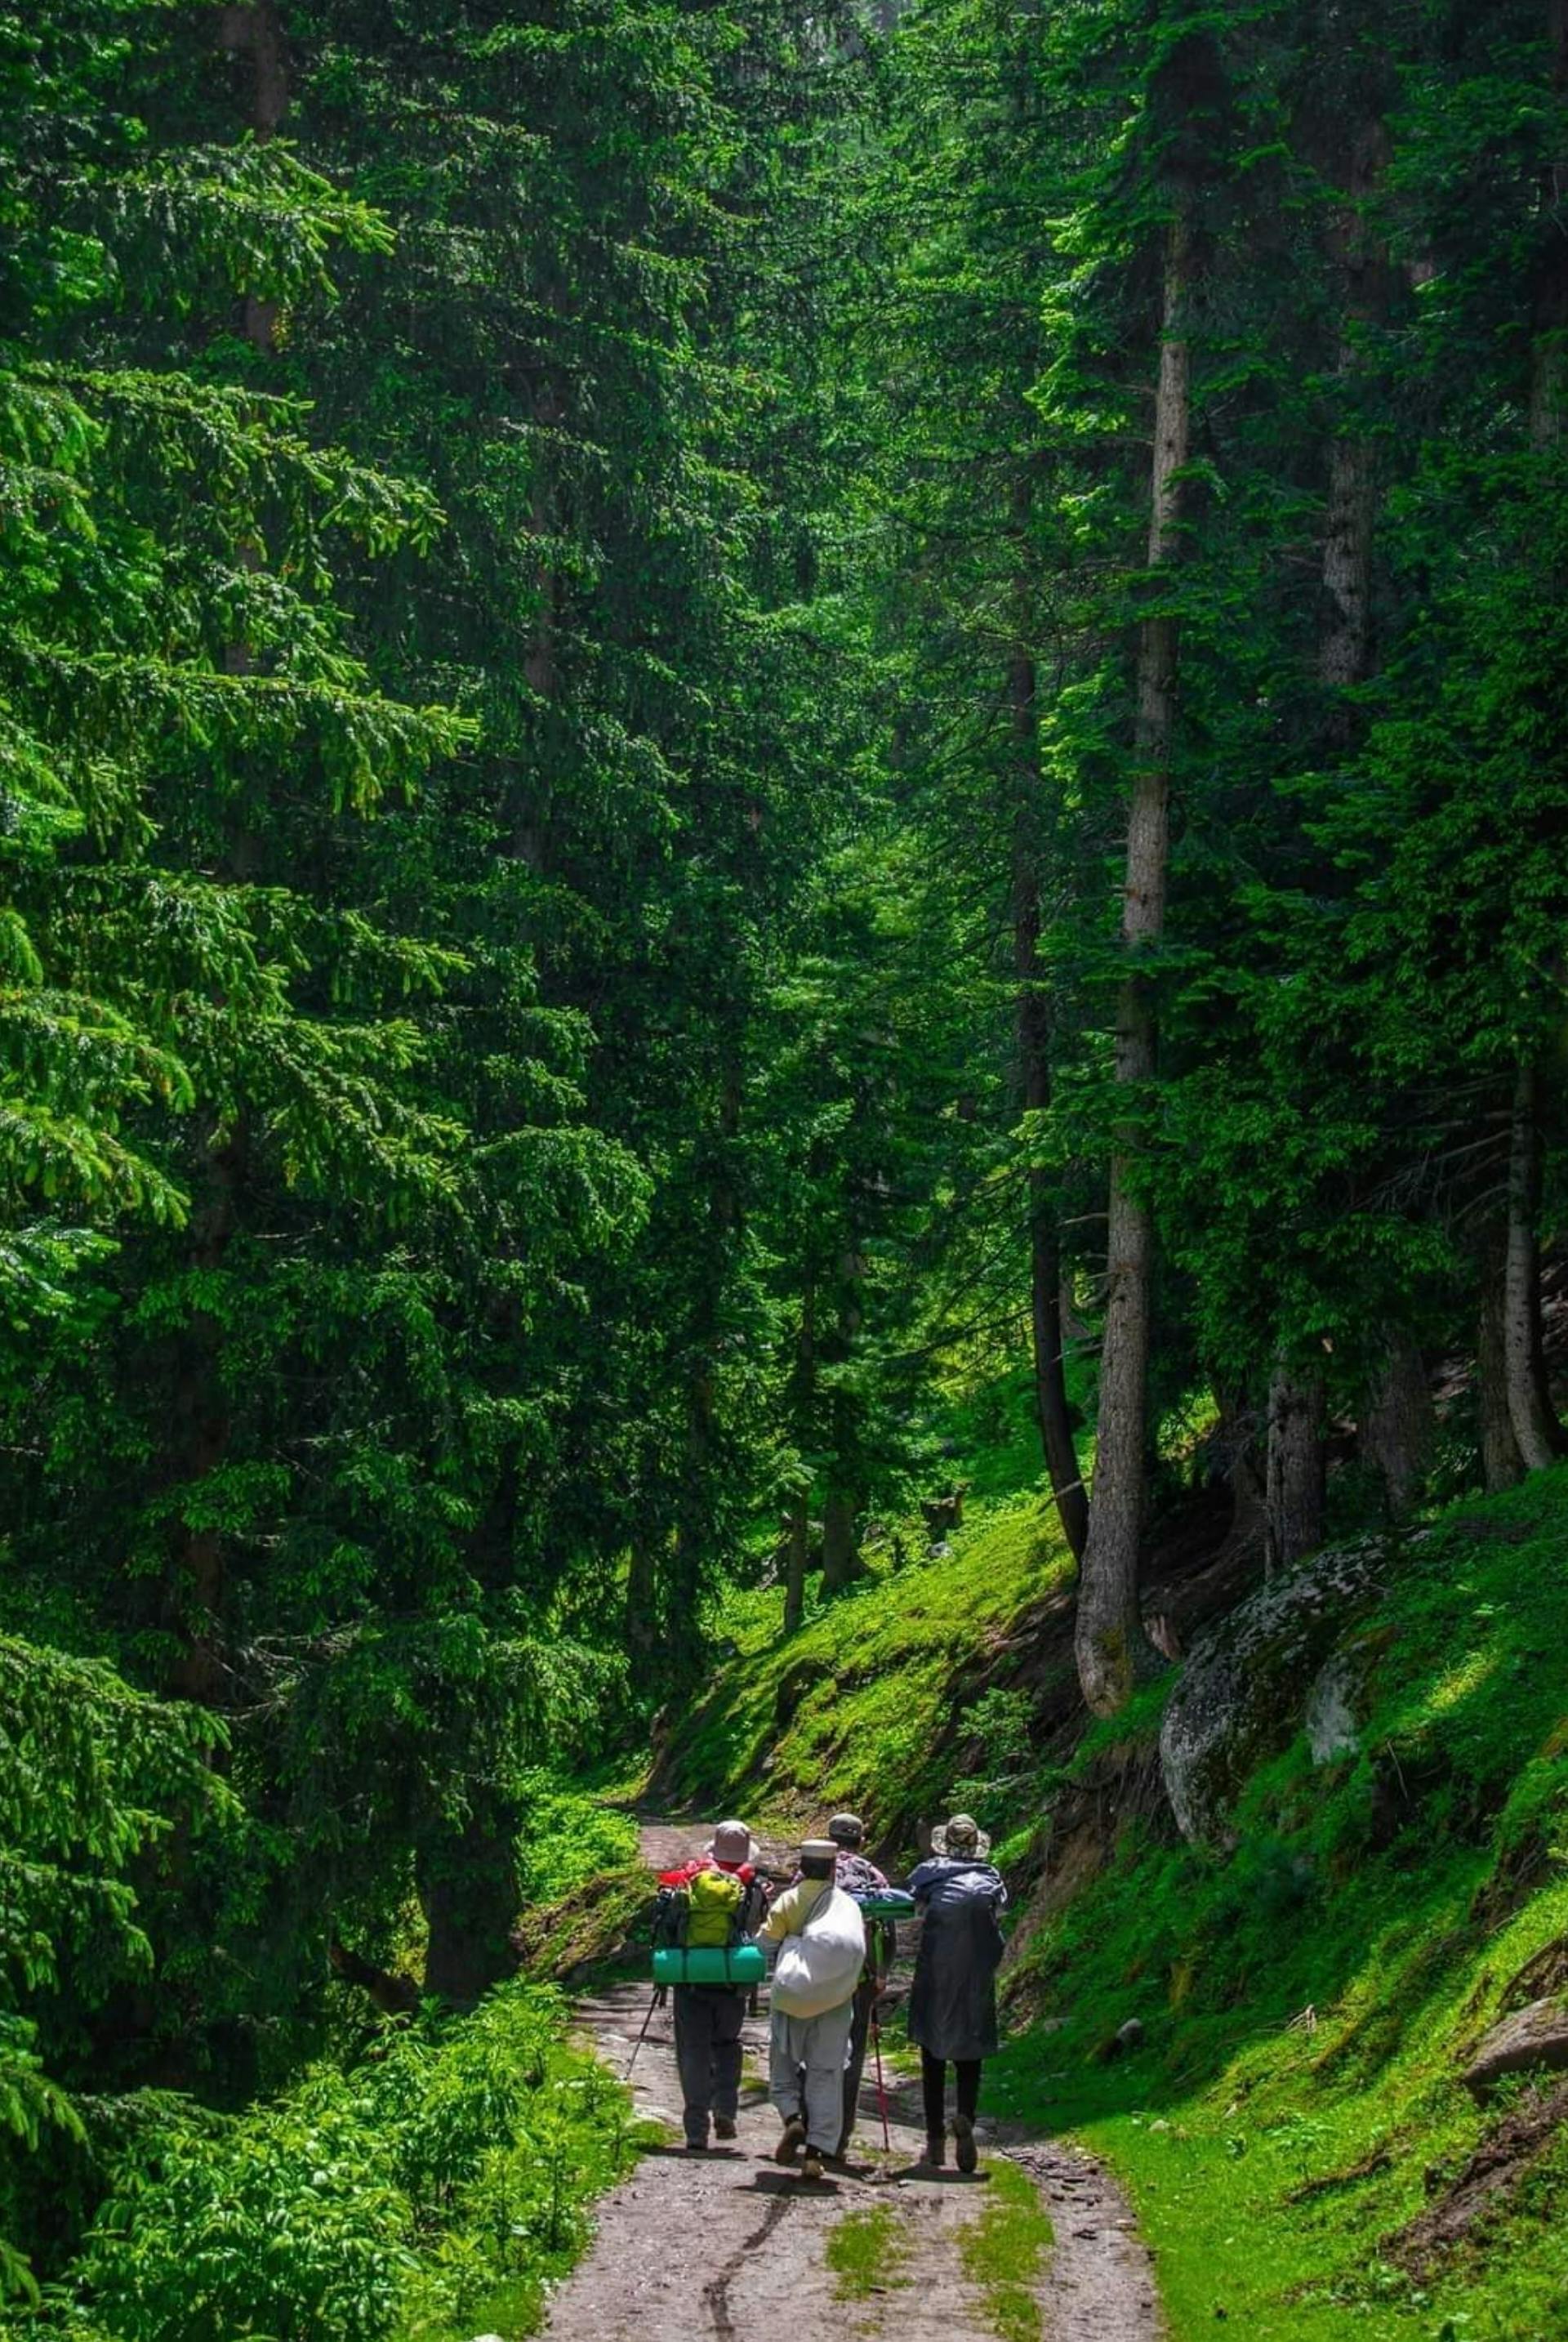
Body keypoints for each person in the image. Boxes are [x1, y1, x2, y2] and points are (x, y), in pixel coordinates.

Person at [758, 1836, 866, 2180]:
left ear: (802, 1868)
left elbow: (764, 1944)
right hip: (835, 1999)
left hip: (792, 1998)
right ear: (833, 1868)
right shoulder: (848, 1905)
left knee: (783, 2066)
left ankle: (792, 2118)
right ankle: (815, 2155)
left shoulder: (789, 1901)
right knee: (827, 2073)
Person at [906, 1812, 1007, 2173]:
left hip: (936, 1975)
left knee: (932, 2054)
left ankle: (935, 2140)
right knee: (971, 2055)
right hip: (976, 1977)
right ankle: (965, 2116)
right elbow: (1000, 1915)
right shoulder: (990, 1879)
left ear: (944, 1842)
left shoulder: (929, 1876)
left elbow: (914, 1909)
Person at [659, 1818, 768, 2152]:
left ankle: (696, 2130)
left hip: (691, 1977)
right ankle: (725, 2109)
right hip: (732, 1981)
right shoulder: (752, 1886)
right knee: (727, 2044)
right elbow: (758, 1929)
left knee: (693, 2051)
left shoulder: (692, 1880)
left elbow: (670, 1923)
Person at [817, 1814, 891, 2157]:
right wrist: (882, 1974)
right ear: (861, 1840)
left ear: (829, 1838)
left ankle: (813, 2125)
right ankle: (841, 2136)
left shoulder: (813, 1870)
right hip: (859, 1976)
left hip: (817, 1974)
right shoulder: (872, 1875)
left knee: (814, 2050)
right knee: (853, 2051)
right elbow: (888, 1926)